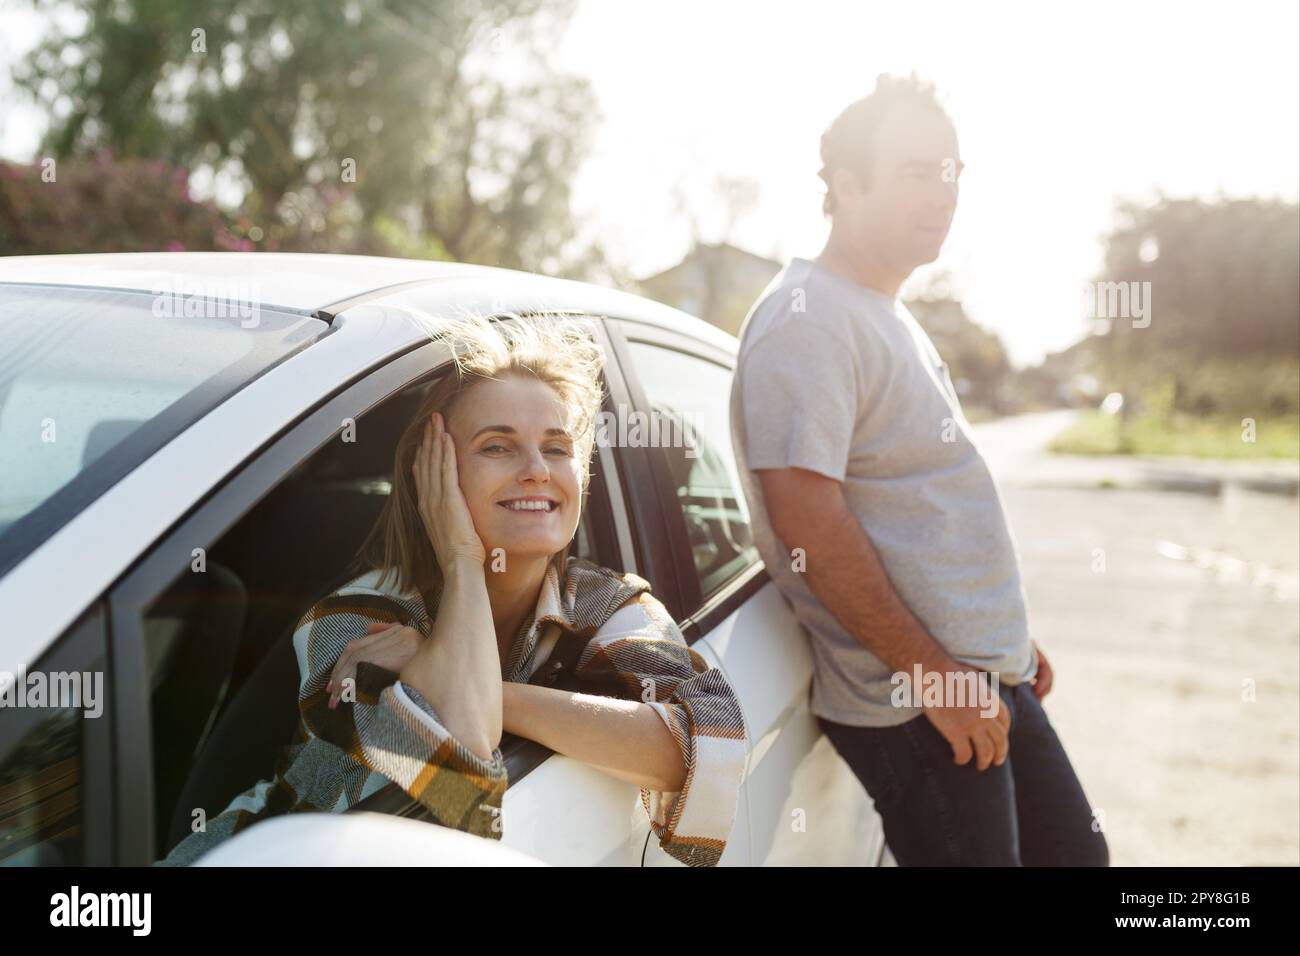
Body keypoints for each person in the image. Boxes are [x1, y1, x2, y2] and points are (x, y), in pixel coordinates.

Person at [159, 312, 747, 867]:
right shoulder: (355, 616)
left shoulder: (607, 603)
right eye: (496, 445)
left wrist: (490, 694)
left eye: (557, 447)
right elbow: (458, 771)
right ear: (433, 475)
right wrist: (464, 559)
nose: (537, 469)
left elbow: (700, 750)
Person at [729, 73, 1107, 866]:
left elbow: (916, 499)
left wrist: (1001, 637)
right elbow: (808, 520)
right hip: (914, 701)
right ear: (844, 183)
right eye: (915, 172)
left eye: (952, 173)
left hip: (979, 672)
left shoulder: (884, 311)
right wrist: (936, 677)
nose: (943, 194)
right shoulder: (809, 319)